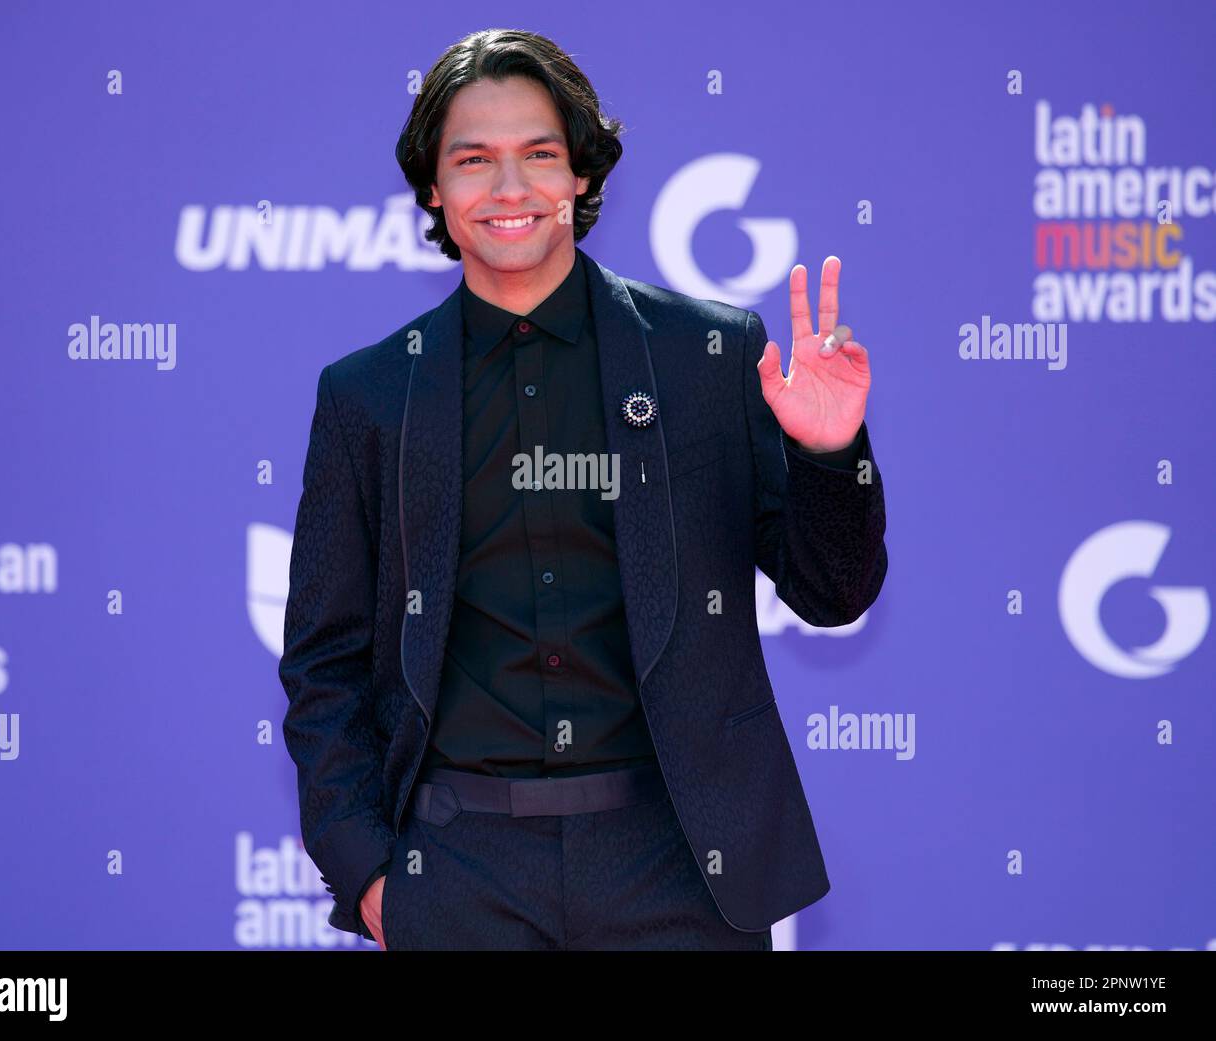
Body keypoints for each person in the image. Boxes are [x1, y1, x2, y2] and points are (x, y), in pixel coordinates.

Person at [279, 27, 887, 951]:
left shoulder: (707, 357)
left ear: (582, 179)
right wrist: (368, 870)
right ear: (434, 189)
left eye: (540, 156)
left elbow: (833, 593)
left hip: (680, 863)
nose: (510, 188)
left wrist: (829, 455)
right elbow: (324, 662)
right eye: (474, 160)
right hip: (456, 871)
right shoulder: (368, 396)